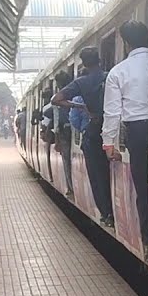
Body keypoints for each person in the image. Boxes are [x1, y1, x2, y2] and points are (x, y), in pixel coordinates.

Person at [103, 21, 148, 263]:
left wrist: (109, 143)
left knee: (143, 188)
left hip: (138, 132)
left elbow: (112, 112)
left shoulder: (118, 72)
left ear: (126, 42)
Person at [55, 47, 114, 225]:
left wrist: (79, 106)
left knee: (97, 175)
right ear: (100, 60)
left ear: (84, 64)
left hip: (94, 131)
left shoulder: (82, 82)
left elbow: (56, 99)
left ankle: (107, 214)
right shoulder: (110, 75)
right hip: (113, 127)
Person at [52, 72, 76, 198]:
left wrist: (57, 140)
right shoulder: (75, 93)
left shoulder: (58, 98)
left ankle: (70, 187)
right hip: (74, 129)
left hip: (64, 132)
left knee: (66, 160)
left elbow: (57, 122)